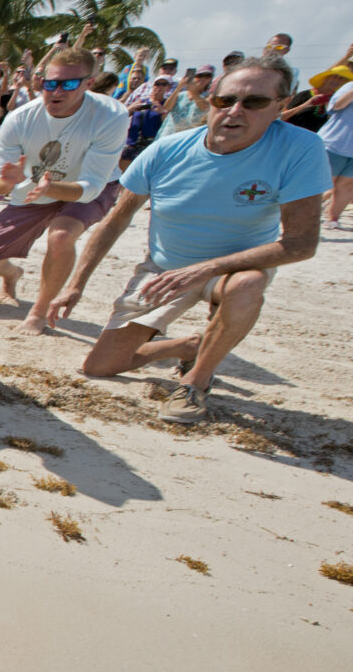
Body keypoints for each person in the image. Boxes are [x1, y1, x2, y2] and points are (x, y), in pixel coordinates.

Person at [51, 57, 329, 424]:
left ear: (281, 105)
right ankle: (190, 345)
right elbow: (114, 221)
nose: (235, 111)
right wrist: (75, 286)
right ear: (209, 99)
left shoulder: (300, 148)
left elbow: (300, 244)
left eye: (254, 102)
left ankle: (195, 382)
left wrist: (207, 270)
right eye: (224, 100)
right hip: (165, 267)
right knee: (101, 367)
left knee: (248, 284)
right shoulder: (167, 150)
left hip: (233, 269)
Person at [0, 47, 128, 323]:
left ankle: (39, 312)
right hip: (31, 186)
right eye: (50, 83)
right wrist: (6, 182)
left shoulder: (111, 115)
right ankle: (12, 273)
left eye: (69, 84)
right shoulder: (20, 117)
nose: (56, 91)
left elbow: (91, 186)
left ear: (89, 84)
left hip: (88, 189)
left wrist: (46, 187)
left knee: (61, 235)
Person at [312, 65, 353, 229]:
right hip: (334, 144)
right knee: (322, 183)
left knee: (347, 185)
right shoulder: (349, 86)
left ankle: (332, 219)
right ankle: (302, 216)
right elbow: (335, 106)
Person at [158, 64, 211, 138]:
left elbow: (205, 108)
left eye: (207, 76)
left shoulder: (209, 97)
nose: (203, 79)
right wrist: (179, 87)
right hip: (169, 134)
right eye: (199, 76)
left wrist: (193, 91)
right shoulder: (180, 95)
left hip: (188, 138)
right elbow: (166, 108)